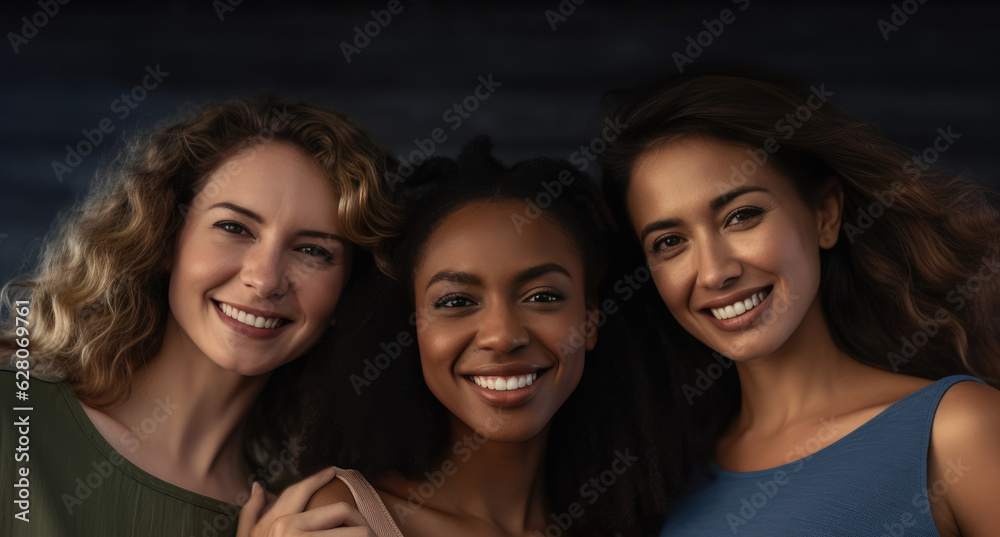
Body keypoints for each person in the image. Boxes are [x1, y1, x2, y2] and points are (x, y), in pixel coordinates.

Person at [598, 69, 1000, 536]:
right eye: (669, 242)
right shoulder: (663, 480)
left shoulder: (957, 429)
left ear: (824, 214)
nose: (713, 272)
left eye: (741, 216)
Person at [0, 95, 401, 536]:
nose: (265, 279)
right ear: (165, 234)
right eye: (234, 228)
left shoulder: (302, 520)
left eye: (313, 251)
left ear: (350, 291)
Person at [297, 136, 679, 536]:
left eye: (542, 297)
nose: (502, 336)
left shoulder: (634, 520)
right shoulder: (339, 520)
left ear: (590, 318)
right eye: (456, 301)